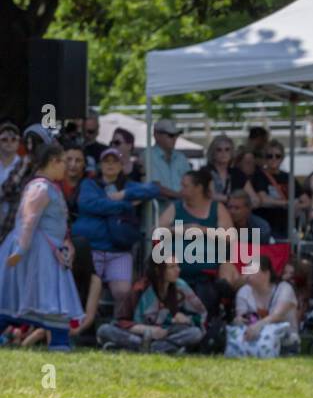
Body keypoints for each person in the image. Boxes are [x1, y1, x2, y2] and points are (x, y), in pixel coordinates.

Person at [0, 143, 84, 349]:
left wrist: (66, 243)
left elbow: (57, 223)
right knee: (39, 298)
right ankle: (59, 343)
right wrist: (20, 250)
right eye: (64, 161)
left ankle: (60, 343)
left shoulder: (49, 186)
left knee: (51, 300)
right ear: (54, 161)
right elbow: (28, 221)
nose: (68, 167)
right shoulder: (40, 187)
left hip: (49, 252)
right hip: (36, 253)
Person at [71, 147, 160, 327]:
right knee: (85, 289)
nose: (110, 165)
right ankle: (83, 327)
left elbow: (153, 189)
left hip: (118, 250)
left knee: (123, 291)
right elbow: (89, 205)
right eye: (106, 161)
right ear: (100, 165)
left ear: (122, 166)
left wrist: (125, 194)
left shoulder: (128, 185)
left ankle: (119, 327)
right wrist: (124, 205)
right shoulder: (89, 184)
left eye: (115, 162)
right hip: (91, 249)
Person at [155, 168, 237, 319]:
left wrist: (202, 230)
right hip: (177, 272)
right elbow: (159, 231)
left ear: (198, 188)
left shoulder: (216, 208)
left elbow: (230, 236)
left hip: (206, 273)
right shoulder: (176, 207)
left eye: (185, 186)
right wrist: (181, 230)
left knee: (205, 304)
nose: (181, 189)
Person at [97, 254, 206, 353]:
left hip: (168, 333)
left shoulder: (181, 286)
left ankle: (149, 348)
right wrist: (148, 330)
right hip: (141, 334)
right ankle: (158, 348)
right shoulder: (140, 288)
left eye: (177, 266)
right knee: (104, 330)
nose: (178, 270)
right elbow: (121, 321)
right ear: (158, 270)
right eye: (172, 267)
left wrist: (186, 319)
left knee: (195, 333)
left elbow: (201, 315)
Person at [226, 256, 299, 358]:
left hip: (285, 341)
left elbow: (277, 316)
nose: (247, 275)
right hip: (253, 339)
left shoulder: (284, 289)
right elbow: (242, 317)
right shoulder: (244, 292)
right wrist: (239, 321)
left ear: (266, 273)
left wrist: (258, 326)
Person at [251, 139, 291, 239]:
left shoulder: (288, 177)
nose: (274, 159)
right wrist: (287, 203)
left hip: (285, 224)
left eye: (277, 156)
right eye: (270, 156)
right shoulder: (258, 176)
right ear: (265, 158)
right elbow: (263, 200)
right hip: (264, 224)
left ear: (282, 158)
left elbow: (306, 200)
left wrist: (296, 203)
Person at [145, 118, 191, 202]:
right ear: (156, 135)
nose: (174, 138)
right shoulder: (147, 156)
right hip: (159, 211)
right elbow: (155, 187)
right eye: (170, 135)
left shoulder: (181, 157)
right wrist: (180, 196)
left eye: (176, 135)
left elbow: (191, 183)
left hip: (183, 208)